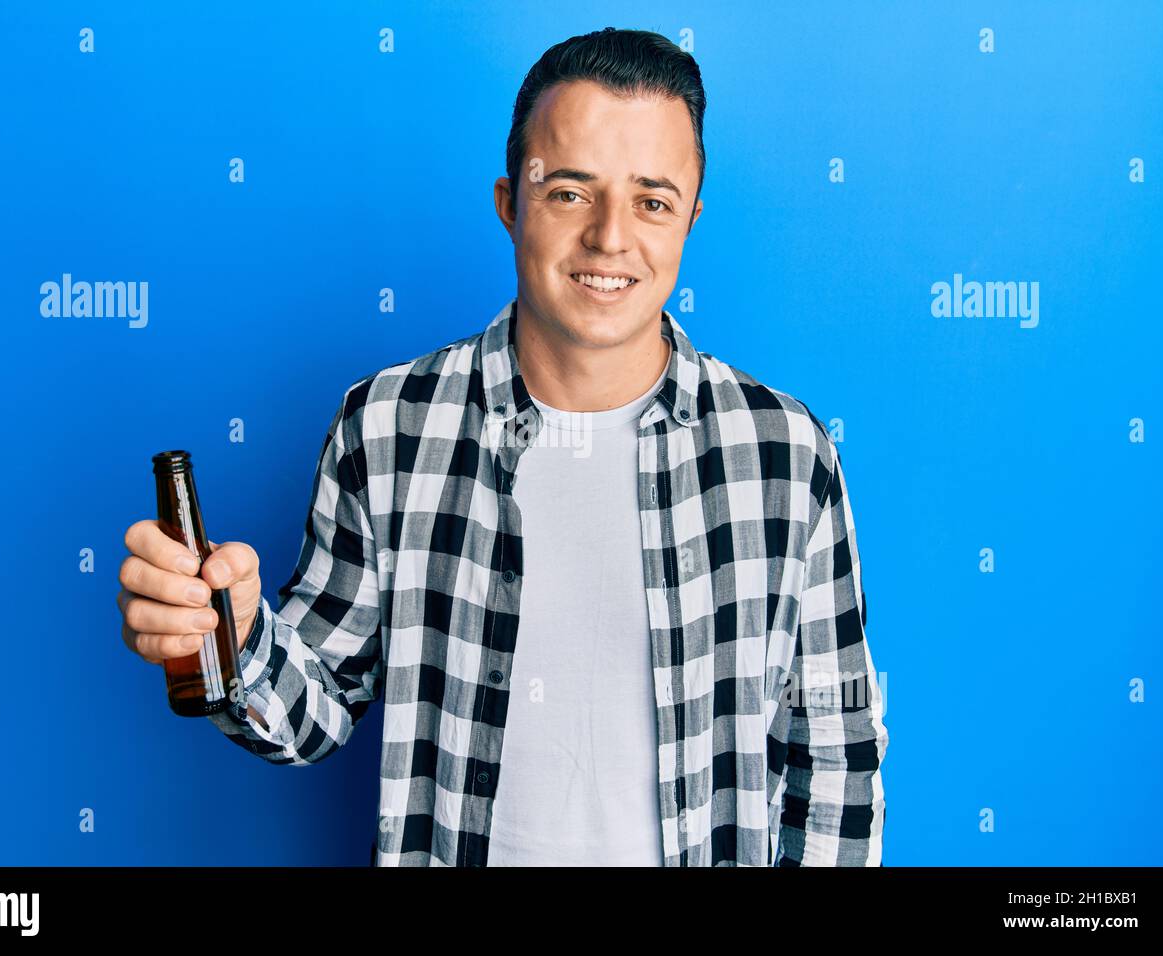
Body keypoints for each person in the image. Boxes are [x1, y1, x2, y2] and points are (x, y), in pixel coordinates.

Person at [117, 27, 888, 867]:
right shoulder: (388, 425)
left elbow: (835, 746)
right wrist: (232, 639)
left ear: (690, 219)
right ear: (510, 203)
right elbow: (315, 709)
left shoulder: (784, 454)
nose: (609, 237)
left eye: (652, 202)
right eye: (570, 192)